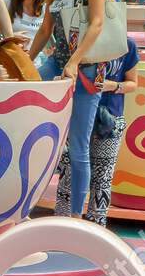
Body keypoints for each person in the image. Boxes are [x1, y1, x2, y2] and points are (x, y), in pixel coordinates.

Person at [29, 0, 112, 219]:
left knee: (78, 145)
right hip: (58, 62)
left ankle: (77, 216)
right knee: (26, 94)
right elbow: (44, 31)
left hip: (87, 68)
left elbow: (98, 23)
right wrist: (24, 62)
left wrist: (75, 63)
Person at [55, 36, 139, 226]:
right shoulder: (82, 41)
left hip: (109, 119)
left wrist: (113, 86)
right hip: (78, 116)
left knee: (102, 178)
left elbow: (133, 83)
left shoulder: (127, 45)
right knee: (69, 172)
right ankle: (63, 224)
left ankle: (95, 227)